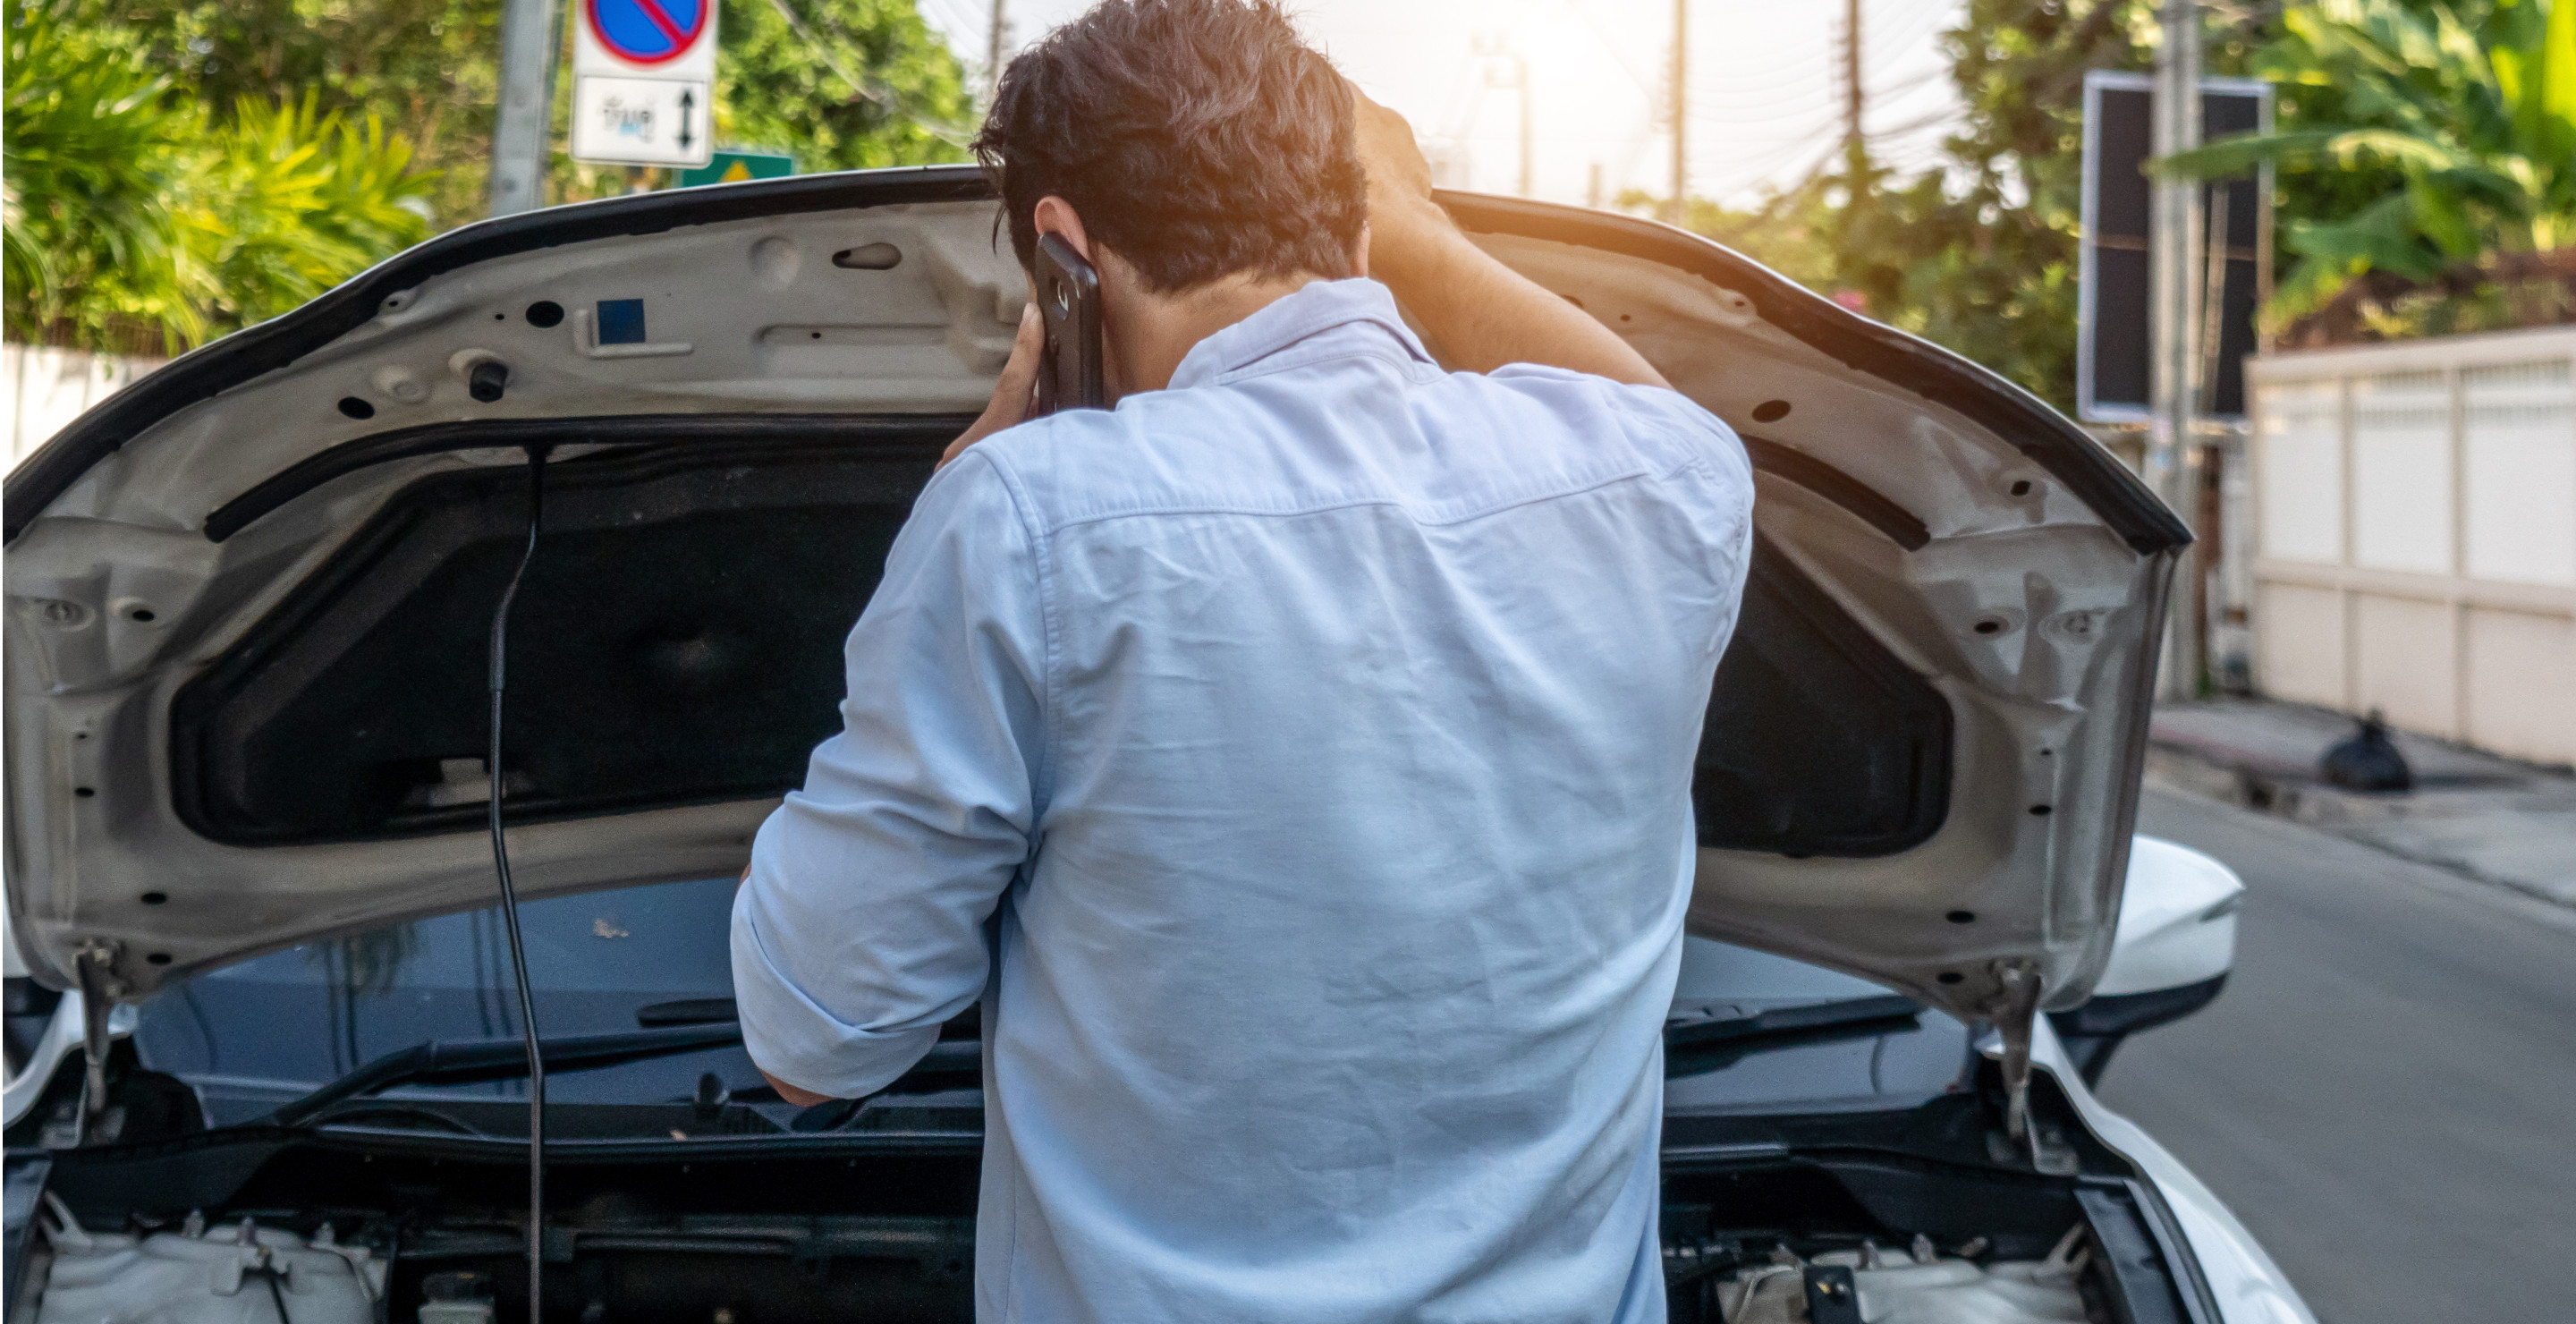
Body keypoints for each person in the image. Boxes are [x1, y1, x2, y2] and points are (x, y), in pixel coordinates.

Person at [728, 1, 1755, 1319]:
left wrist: (968, 483)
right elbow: (1644, 412)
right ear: (1352, 209)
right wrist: (1415, 233)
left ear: (1061, 251)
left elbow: (817, 1044)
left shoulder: (1029, 520)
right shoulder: (1670, 483)